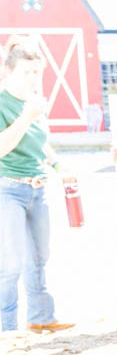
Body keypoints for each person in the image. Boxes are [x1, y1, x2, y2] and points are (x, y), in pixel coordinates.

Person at [0, 40, 74, 333]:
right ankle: (6, 327)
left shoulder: (36, 103)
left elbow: (41, 142)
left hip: (38, 187)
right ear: (8, 71)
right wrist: (27, 115)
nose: (32, 78)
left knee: (39, 256)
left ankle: (41, 316)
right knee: (11, 262)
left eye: (35, 72)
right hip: (7, 188)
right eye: (25, 72)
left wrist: (58, 167)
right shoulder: (7, 103)